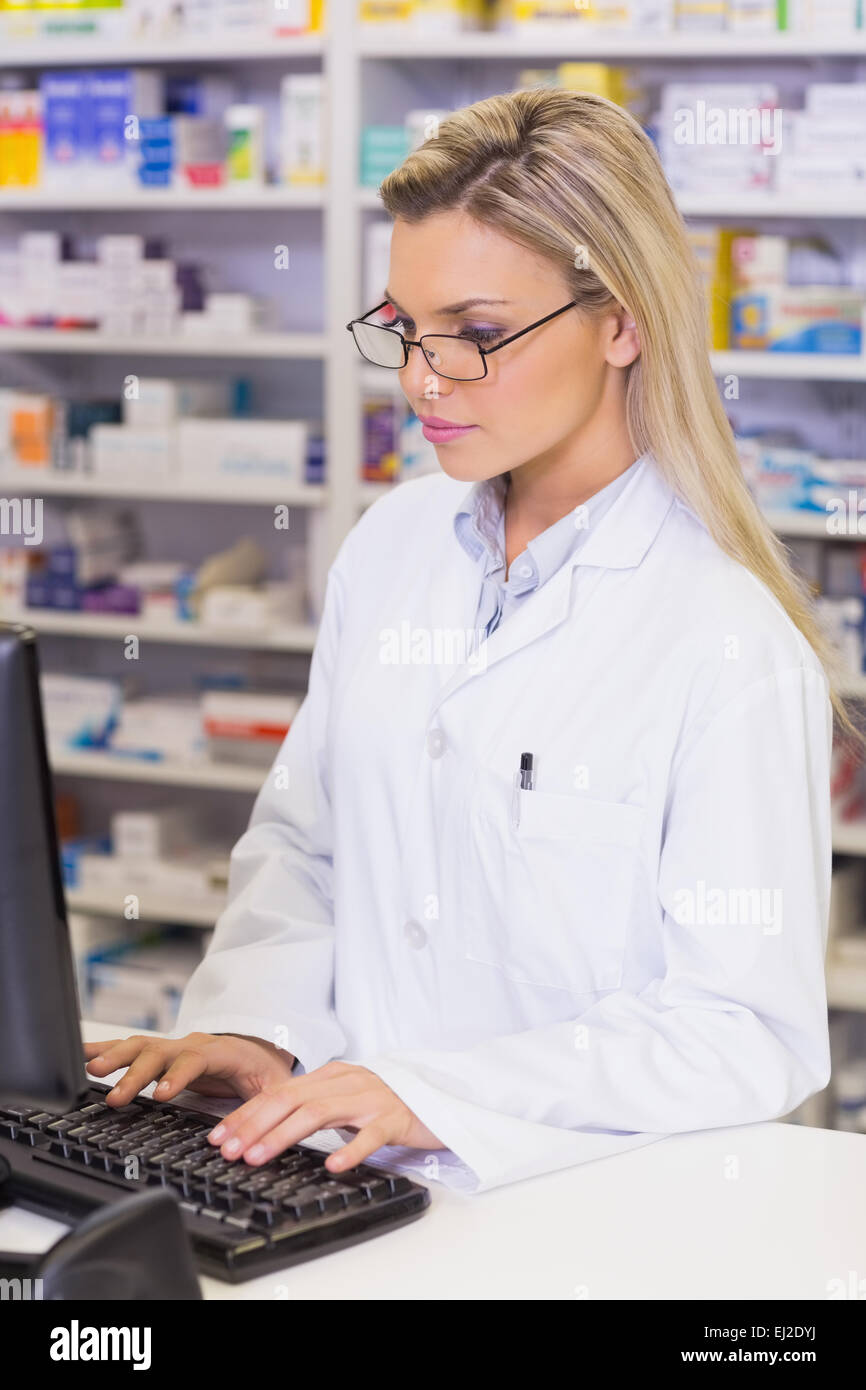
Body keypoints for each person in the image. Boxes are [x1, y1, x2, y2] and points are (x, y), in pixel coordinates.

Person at [84, 88, 858, 1194]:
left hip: (573, 1217)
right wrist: (259, 1031)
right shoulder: (394, 542)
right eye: (404, 326)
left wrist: (440, 1096)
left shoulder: (725, 639)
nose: (418, 378)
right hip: (334, 1179)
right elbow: (310, 845)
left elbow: (741, 1029)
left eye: (478, 334)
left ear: (621, 321)